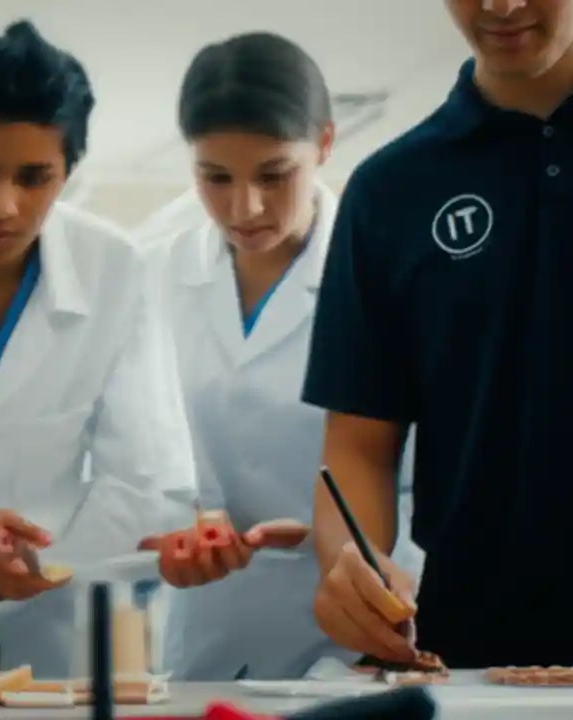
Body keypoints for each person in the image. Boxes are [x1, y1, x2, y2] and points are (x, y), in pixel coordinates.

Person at [0, 19, 198, 678]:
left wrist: (40, 565)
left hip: (47, 622)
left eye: (35, 177)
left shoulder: (114, 267)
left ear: (69, 172)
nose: (1, 204)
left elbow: (145, 474)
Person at [304, 0, 573, 668]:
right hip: (473, 653)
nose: (499, 5)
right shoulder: (390, 191)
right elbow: (357, 445)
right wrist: (354, 564)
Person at [134, 32, 425, 681]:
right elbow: (135, 449)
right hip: (207, 626)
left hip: (355, 624)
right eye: (215, 177)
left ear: (323, 143)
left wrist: (373, 575)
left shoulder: (383, 272)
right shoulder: (151, 276)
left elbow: (412, 472)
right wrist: (178, 527)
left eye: (274, 174)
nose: (246, 207)